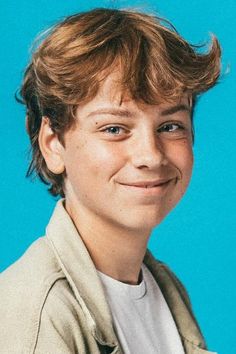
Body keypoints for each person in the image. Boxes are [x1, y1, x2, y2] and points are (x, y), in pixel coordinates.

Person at [0, 7, 221, 354]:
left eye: (170, 126)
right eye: (114, 128)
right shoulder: (39, 313)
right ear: (52, 144)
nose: (150, 155)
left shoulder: (164, 288)